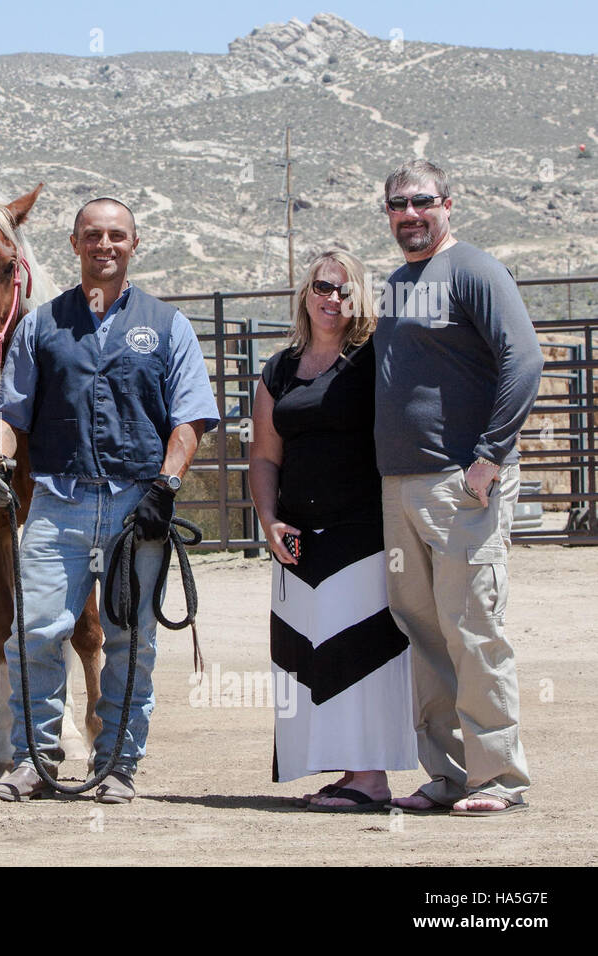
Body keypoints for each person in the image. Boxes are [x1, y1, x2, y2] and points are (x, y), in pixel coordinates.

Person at [0, 197, 219, 804]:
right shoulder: (41, 326)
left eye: (117, 235)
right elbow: (13, 412)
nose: (104, 245)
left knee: (131, 638)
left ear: (133, 244)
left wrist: (165, 487)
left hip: (134, 507)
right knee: (33, 631)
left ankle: (118, 763)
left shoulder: (168, 326)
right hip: (57, 500)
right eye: (93, 235)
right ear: (74, 243)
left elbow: (189, 417)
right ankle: (36, 758)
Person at [375, 160, 544, 816]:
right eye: (397, 205)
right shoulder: (396, 284)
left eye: (421, 201)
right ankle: (446, 774)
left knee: (473, 628)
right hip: (402, 485)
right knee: (423, 632)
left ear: (448, 203)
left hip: (459, 482)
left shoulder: (473, 269)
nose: (409, 214)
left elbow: (522, 357)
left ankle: (498, 777)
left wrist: (491, 455)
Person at [250, 250, 418, 811]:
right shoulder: (278, 369)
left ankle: (371, 780)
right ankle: (349, 774)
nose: (333, 299)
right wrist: (269, 519)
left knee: (361, 652)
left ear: (360, 299)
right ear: (306, 291)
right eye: (324, 286)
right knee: (309, 654)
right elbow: (264, 457)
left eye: (346, 291)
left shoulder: (375, 361)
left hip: (361, 530)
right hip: (296, 533)